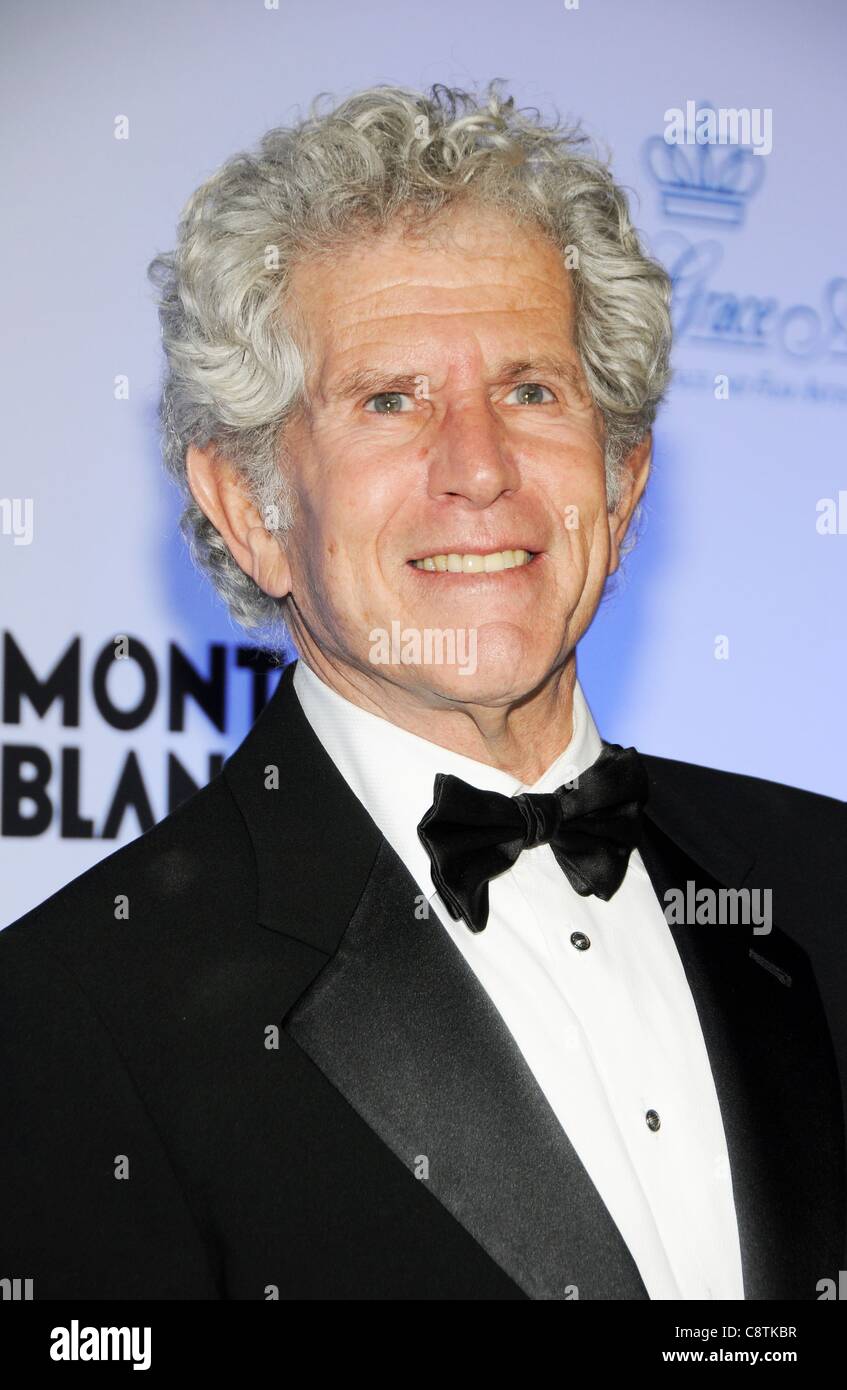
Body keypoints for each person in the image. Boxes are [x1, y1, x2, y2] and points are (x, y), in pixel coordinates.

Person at [1, 82, 844, 1301]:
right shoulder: (69, 1020)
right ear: (251, 510)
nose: (478, 467)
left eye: (530, 390)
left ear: (621, 483)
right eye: (389, 399)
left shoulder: (824, 881)